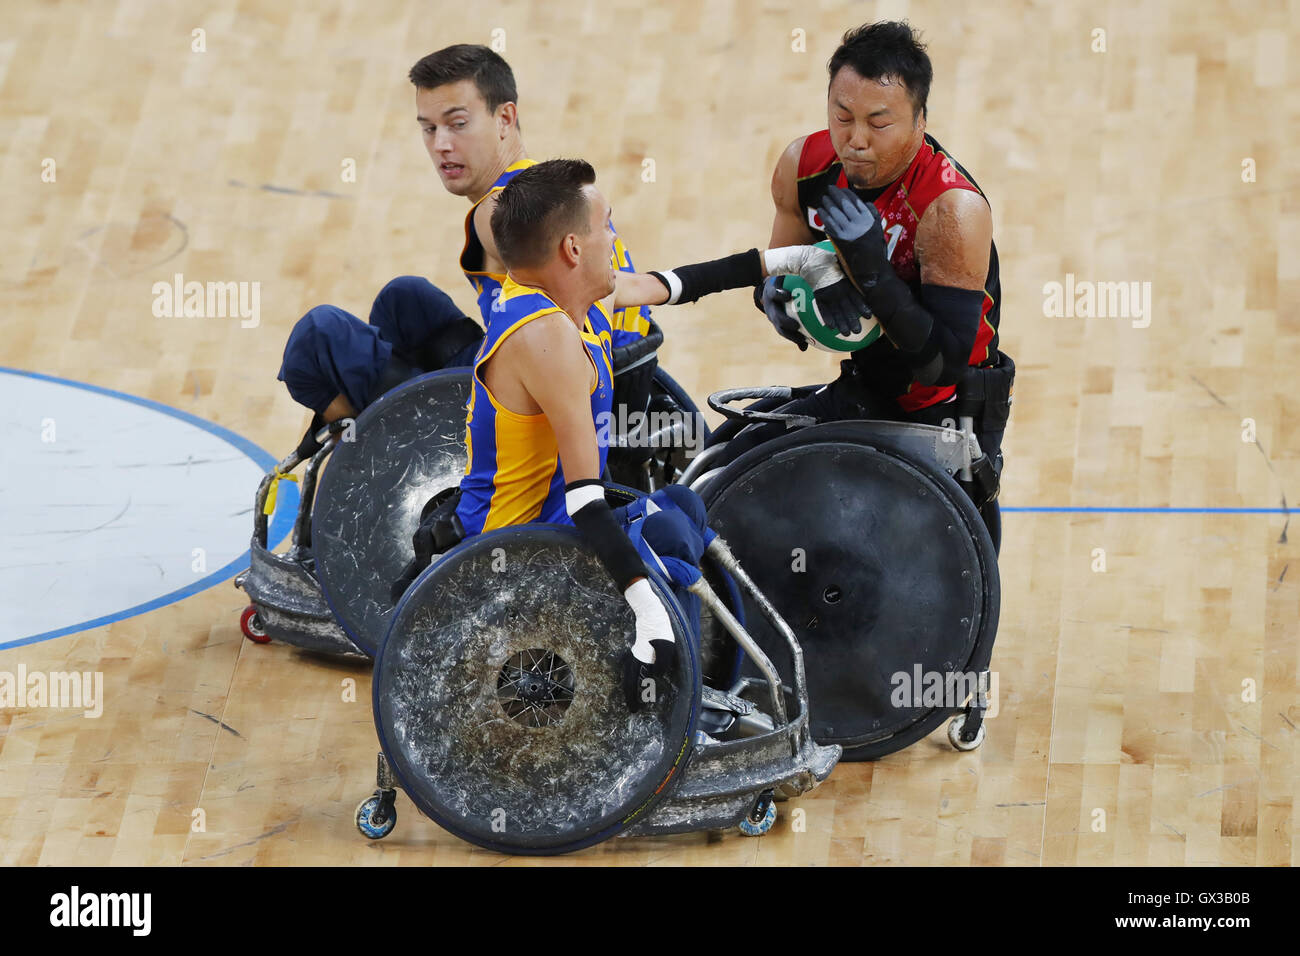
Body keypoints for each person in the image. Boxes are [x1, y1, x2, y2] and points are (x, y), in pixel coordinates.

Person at [390, 158, 850, 707]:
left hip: (551, 522)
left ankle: (713, 684)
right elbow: (586, 499)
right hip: (514, 553)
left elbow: (681, 283)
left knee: (683, 504)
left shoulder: (574, 300)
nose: (614, 236)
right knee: (669, 537)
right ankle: (662, 710)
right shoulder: (543, 339)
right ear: (572, 249)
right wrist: (649, 616)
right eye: (606, 224)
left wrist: (796, 258)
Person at [744, 21, 1014, 547]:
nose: (856, 140)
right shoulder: (806, 166)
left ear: (919, 120)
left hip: (947, 410)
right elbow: (779, 273)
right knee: (735, 462)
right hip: (869, 383)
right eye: (842, 118)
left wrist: (871, 273)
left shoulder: (950, 210)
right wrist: (776, 297)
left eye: (878, 122)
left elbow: (941, 364)